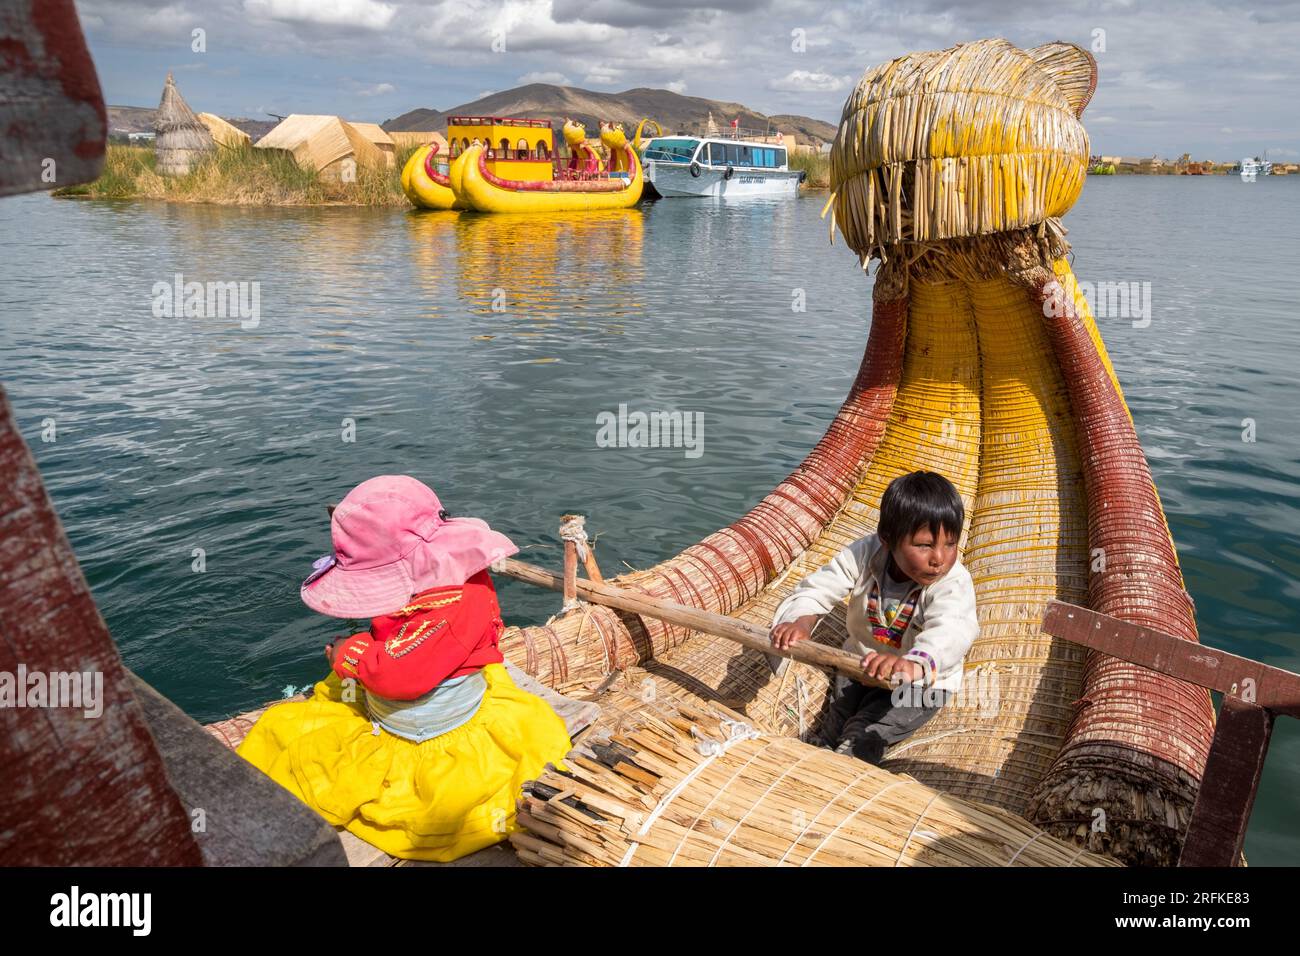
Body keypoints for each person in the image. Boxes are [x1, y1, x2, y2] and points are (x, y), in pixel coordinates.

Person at [236, 475, 572, 862]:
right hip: (443, 685)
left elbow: (399, 677)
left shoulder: (446, 613)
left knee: (284, 732)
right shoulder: (461, 579)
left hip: (428, 740)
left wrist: (349, 653)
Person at [769, 470, 978, 765]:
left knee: (865, 731)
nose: (939, 559)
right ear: (887, 539)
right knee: (834, 723)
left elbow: (953, 630)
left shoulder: (952, 582)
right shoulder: (866, 554)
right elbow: (821, 587)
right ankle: (818, 758)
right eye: (924, 545)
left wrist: (913, 663)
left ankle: (850, 765)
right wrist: (802, 619)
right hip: (859, 665)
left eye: (950, 543)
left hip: (922, 684)